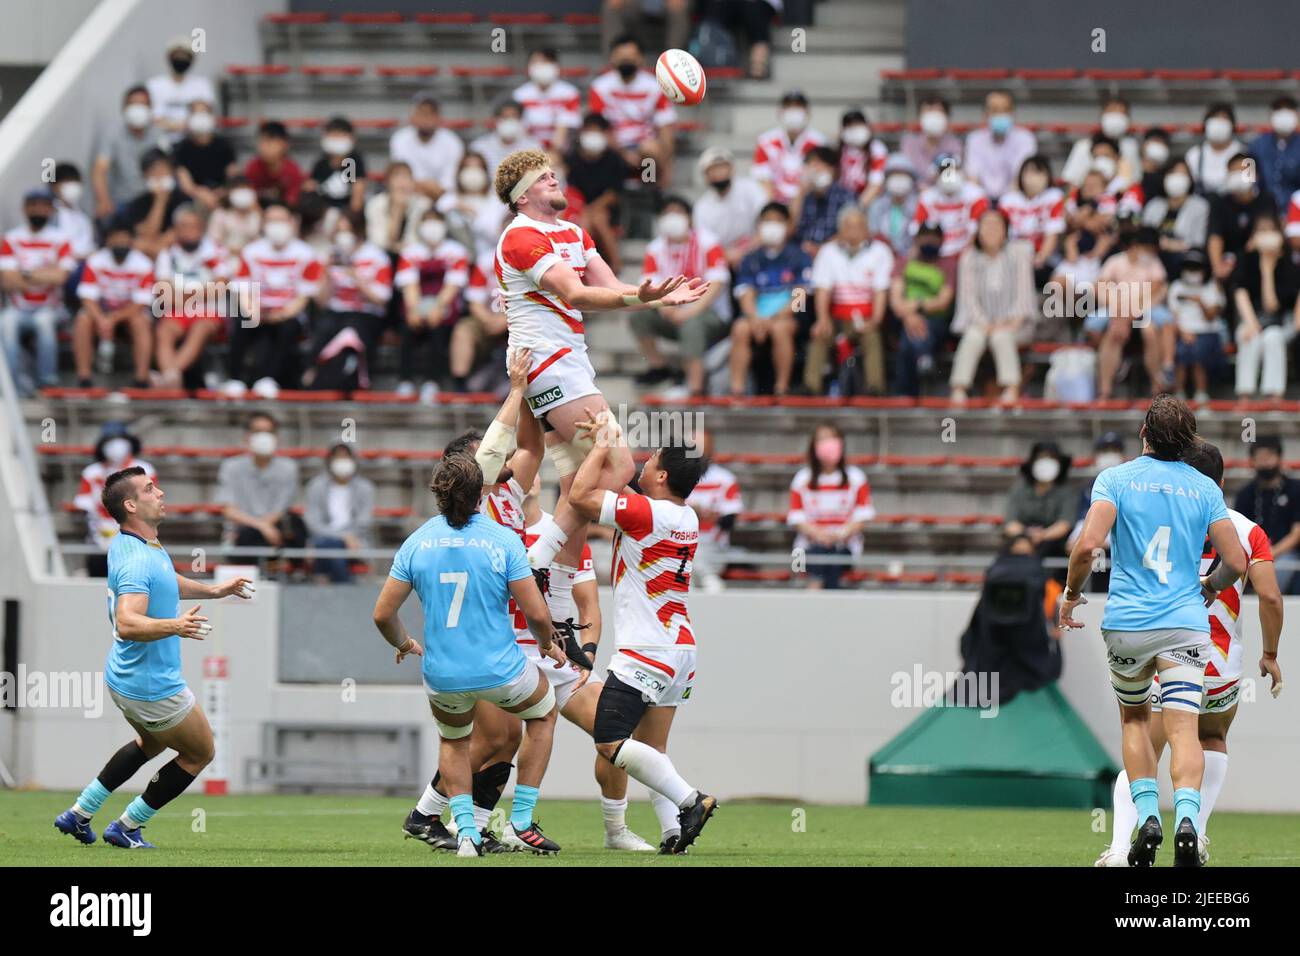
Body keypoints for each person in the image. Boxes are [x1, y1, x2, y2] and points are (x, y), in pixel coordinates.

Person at [490, 148, 707, 617]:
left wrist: (658, 300)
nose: (555, 179)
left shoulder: (573, 231)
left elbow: (611, 283)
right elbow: (578, 293)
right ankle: (532, 562)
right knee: (619, 464)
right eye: (543, 178)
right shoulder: (519, 238)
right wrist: (641, 301)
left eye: (553, 173)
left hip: (570, 363)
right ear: (522, 196)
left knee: (576, 491)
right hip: (547, 363)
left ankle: (561, 610)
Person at [1061, 394, 1248, 867]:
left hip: (1127, 624)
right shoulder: (1204, 488)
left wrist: (1070, 594)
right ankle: (1187, 819)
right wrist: (1210, 586)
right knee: (1185, 728)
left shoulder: (1115, 479)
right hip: (1185, 625)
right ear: (1188, 440)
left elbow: (1087, 547)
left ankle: (1148, 816)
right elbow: (1237, 561)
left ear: (1143, 433)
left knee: (1136, 720)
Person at [1098, 439, 1284, 867]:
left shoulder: (1159, 513)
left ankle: (1120, 849)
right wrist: (1271, 653)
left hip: (1165, 649)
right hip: (1219, 662)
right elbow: (1271, 598)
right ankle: (1195, 836)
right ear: (1220, 481)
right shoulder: (1246, 530)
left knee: (1144, 738)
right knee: (1211, 738)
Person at [374, 452, 564, 857]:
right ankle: (523, 818)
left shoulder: (417, 541)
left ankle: (465, 834)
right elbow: (535, 612)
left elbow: (382, 613)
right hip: (501, 671)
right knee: (544, 713)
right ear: (481, 495)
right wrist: (547, 644)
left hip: (442, 674)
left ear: (438, 495)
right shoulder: (501, 539)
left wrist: (404, 644)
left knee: (455, 741)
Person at [53, 466, 253, 849]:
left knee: (152, 743)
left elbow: (168, 581)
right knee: (200, 752)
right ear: (131, 504)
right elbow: (128, 622)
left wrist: (213, 591)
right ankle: (127, 825)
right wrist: (175, 626)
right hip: (152, 685)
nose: (160, 492)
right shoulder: (138, 559)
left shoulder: (136, 545)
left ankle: (79, 813)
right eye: (149, 489)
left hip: (123, 677)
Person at [566, 409, 718, 854]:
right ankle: (675, 834)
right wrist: (609, 437)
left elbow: (579, 497)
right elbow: (625, 483)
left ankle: (692, 800)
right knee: (654, 749)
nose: (645, 463)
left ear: (663, 474)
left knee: (611, 741)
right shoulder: (685, 517)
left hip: (644, 650)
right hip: (680, 649)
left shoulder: (646, 513)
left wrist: (599, 446)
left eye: (653, 460)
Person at [630, 196, 731, 395]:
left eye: (678, 212)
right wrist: (666, 307)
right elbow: (649, 286)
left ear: (689, 218)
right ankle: (659, 367)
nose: (672, 217)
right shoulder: (655, 248)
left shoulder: (708, 242)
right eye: (667, 213)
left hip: (708, 312)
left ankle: (695, 386)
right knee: (639, 316)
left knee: (692, 324)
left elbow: (717, 283)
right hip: (671, 309)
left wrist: (689, 312)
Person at [226, 204, 321, 396]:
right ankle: (235, 379)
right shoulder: (250, 252)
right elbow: (242, 289)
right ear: (263, 224)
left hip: (289, 313)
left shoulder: (307, 254)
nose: (277, 226)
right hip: (256, 310)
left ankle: (267, 378)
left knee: (286, 329)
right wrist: (254, 312)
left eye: (281, 220)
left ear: (292, 222)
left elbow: (304, 295)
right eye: (272, 221)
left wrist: (282, 314)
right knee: (241, 323)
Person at [948, 208, 1034, 406]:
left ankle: (1011, 388)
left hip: (1017, 323)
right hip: (979, 322)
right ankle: (959, 388)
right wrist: (984, 323)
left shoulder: (1019, 253)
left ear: (1006, 230)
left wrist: (1010, 322)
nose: (991, 230)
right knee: (973, 336)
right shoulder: (969, 257)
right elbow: (968, 298)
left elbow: (1024, 294)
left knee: (1001, 336)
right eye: (986, 225)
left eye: (997, 225)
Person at [805, 205, 893, 396]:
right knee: (820, 334)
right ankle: (811, 389)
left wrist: (875, 320)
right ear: (840, 229)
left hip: (866, 316)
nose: (853, 231)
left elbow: (880, 291)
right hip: (837, 317)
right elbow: (822, 289)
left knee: (871, 337)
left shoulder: (880, 251)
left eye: (858, 225)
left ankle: (875, 389)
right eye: (848, 226)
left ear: (867, 228)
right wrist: (822, 319)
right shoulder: (828, 252)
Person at [730, 201, 811, 396]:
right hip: (757, 316)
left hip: (790, 315)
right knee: (740, 328)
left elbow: (801, 296)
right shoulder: (751, 258)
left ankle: (781, 388)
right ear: (758, 226)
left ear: (789, 226)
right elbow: (745, 293)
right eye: (767, 221)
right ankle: (737, 390)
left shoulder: (800, 256)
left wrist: (775, 318)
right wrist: (754, 318)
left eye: (778, 221)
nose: (772, 225)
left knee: (780, 330)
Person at [1, 190, 74, 396]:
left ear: (51, 210)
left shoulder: (61, 238)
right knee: (6, 323)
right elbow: (7, 281)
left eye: (43, 206)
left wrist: (24, 274)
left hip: (52, 308)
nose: (38, 210)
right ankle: (12, 388)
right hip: (18, 308)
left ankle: (47, 383)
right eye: (33, 205)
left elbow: (60, 277)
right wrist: (44, 273)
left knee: (44, 321)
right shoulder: (12, 238)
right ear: (24, 209)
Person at [309, 210, 392, 390]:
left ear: (359, 231)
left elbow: (382, 300)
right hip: (336, 311)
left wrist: (357, 278)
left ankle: (354, 378)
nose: (343, 237)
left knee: (352, 328)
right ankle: (316, 376)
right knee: (325, 326)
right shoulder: (330, 257)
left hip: (366, 313)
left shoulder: (377, 257)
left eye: (347, 231)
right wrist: (326, 273)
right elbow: (320, 301)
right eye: (339, 232)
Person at [394, 208, 470, 400]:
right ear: (420, 226)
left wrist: (437, 309)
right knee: (407, 328)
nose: (432, 227)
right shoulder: (410, 252)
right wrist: (414, 310)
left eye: (436, 221)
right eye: (427, 221)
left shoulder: (457, 251)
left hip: (445, 307)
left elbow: (453, 285)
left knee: (438, 330)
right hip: (418, 305)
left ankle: (433, 382)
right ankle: (405, 381)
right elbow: (409, 284)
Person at [787, 421, 874, 589]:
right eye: (822, 439)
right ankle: (819, 596)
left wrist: (839, 535)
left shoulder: (856, 477)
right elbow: (798, 519)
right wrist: (820, 535)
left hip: (844, 546)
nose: (828, 444)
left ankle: (817, 595)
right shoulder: (802, 479)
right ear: (813, 446)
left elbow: (862, 517)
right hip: (808, 548)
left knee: (833, 560)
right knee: (819, 555)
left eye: (832, 438)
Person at [154, 204, 231, 388]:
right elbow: (164, 293)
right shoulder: (167, 254)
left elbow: (220, 287)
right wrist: (200, 293)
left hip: (209, 312)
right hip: (178, 312)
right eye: (185, 226)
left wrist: (183, 296)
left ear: (202, 228)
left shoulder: (216, 251)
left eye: (194, 226)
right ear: (177, 230)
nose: (190, 231)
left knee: (200, 329)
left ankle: (167, 378)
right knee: (164, 331)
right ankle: (172, 380)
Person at [72, 219, 155, 389]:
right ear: (108, 241)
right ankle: (84, 377)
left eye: (124, 240)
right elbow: (87, 297)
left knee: (141, 322)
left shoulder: (144, 264)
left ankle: (141, 379)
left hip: (129, 314)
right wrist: (102, 319)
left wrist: (113, 319)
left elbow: (141, 303)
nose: (120, 244)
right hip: (101, 313)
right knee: (83, 320)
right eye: (116, 239)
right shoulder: (95, 261)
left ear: (132, 241)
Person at [589, 35, 677, 187]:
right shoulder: (600, 87)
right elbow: (599, 127)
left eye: (630, 57)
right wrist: (623, 154)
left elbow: (666, 128)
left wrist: (667, 165)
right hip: (613, 147)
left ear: (641, 59)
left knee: (650, 150)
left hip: (645, 150)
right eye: (621, 57)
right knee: (593, 143)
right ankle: (608, 196)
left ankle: (652, 191)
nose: (626, 61)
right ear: (612, 58)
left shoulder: (656, 86)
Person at [215, 412, 306, 558]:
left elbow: (280, 509)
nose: (264, 437)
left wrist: (265, 527)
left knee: (297, 526)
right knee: (249, 536)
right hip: (242, 532)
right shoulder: (231, 467)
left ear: (276, 437)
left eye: (268, 432)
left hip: (275, 531)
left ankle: (294, 574)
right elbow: (229, 511)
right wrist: (261, 526)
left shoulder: (288, 468)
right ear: (247, 436)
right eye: (257, 432)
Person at [1095, 226, 1169, 399]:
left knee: (1150, 331)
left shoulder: (1152, 263)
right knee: (1112, 333)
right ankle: (1105, 389)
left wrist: (1131, 312)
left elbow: (1157, 289)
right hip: (1118, 313)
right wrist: (1119, 310)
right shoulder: (1114, 262)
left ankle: (1156, 387)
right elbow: (1101, 287)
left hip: (1144, 312)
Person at [73, 423, 156, 577]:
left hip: (135, 541)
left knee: (133, 584)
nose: (116, 446)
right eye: (110, 441)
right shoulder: (91, 472)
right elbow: (84, 507)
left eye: (120, 440)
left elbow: (150, 505)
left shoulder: (145, 470)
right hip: (99, 540)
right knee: (99, 584)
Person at [1233, 211, 1299, 399]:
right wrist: (1252, 323)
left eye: (1271, 231)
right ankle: (1244, 395)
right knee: (1249, 338)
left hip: (1280, 323)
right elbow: (1240, 293)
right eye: (1261, 231)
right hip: (1250, 320)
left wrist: (1267, 269)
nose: (1267, 236)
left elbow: (1272, 307)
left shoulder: (1290, 267)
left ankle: (1274, 394)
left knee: (1272, 338)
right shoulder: (1245, 260)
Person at [890, 222, 953, 397]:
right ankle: (924, 359)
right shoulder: (904, 263)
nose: (929, 241)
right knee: (909, 334)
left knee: (909, 340)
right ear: (917, 239)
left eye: (934, 238)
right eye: (925, 237)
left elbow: (943, 301)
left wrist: (916, 306)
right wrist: (909, 315)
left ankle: (904, 394)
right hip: (904, 318)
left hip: (936, 320)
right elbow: (896, 300)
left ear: (941, 241)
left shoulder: (948, 264)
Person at [1234, 436, 1300, 595]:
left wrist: (1270, 554)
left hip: (1285, 554)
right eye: (1260, 458)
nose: (1265, 463)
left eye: (1268, 457)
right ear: (1252, 461)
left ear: (1279, 458)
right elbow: (1238, 532)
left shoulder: (1295, 489)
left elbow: (1296, 532)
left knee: (1282, 568)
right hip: (1253, 555)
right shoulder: (1245, 494)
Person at [564, 114, 631, 271]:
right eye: (589, 130)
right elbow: (571, 191)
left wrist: (591, 209)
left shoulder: (614, 160)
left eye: (597, 131)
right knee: (588, 220)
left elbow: (614, 193)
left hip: (607, 209)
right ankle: (589, 265)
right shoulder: (573, 159)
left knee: (598, 218)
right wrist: (584, 210)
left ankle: (608, 264)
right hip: (578, 207)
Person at [303, 444, 374, 584]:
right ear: (330, 461)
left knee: (327, 547)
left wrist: (349, 537)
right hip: (323, 539)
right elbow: (313, 522)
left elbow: (364, 521)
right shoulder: (316, 486)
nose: (342, 462)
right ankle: (344, 589)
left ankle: (323, 584)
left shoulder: (365, 488)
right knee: (332, 547)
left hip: (355, 542)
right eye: (338, 458)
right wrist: (343, 537)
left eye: (346, 457)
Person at [92, 86, 164, 222]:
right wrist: (104, 201)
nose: (138, 109)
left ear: (151, 108)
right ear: (124, 108)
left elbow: (165, 169)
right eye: (133, 104)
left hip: (151, 200)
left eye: (143, 104)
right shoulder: (112, 132)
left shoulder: (158, 133)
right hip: (121, 202)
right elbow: (99, 170)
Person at [692, 147, 767, 271]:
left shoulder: (751, 189)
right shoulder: (702, 207)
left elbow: (767, 220)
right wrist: (726, 256)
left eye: (723, 167)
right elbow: (705, 243)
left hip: (757, 250)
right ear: (705, 175)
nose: (720, 172)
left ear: (732, 169)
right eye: (714, 169)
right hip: (723, 260)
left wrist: (744, 251)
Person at [686, 429, 743, 592]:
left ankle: (706, 580)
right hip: (679, 543)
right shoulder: (673, 479)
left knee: (694, 556)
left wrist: (709, 516)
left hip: (713, 545)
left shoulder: (725, 479)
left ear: (711, 449)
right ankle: (707, 581)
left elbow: (729, 521)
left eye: (701, 446)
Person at [1208, 153, 1276, 288]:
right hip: (1228, 259)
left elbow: (1267, 231)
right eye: (1234, 172)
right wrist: (1218, 267)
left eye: (1244, 170)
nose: (1239, 175)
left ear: (1255, 175)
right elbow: (1215, 236)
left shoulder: (1266, 200)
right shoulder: (1220, 203)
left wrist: (1239, 259)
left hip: (1256, 257)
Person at [998, 154, 1066, 284]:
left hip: (1045, 261)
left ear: (1048, 176)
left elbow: (1052, 235)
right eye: (1029, 172)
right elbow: (1001, 234)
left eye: (1038, 172)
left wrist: (1039, 259)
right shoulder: (1008, 200)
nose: (1033, 178)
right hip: (1013, 258)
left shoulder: (1054, 197)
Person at [1003, 441, 1075, 562]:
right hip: (1023, 538)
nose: (1046, 462)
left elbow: (1064, 524)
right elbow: (1010, 524)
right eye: (1041, 457)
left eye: (1051, 457)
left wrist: (1043, 535)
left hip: (1053, 542)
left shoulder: (1065, 492)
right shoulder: (1019, 490)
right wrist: (1026, 535)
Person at [1167, 249, 1224, 403]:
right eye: (1189, 267)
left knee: (1198, 350)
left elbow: (1212, 316)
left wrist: (1199, 301)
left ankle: (1201, 394)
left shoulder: (1212, 287)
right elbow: (1173, 316)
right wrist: (1183, 332)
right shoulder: (1176, 287)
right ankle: (1178, 394)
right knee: (1181, 351)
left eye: (1196, 267)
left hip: (1208, 333)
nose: (1192, 271)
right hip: (1182, 332)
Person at [963, 90, 1037, 202]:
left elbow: (1021, 178)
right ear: (985, 115)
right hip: (982, 200)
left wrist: (1004, 205)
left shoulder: (1026, 138)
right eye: (995, 110)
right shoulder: (974, 139)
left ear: (1013, 113)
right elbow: (973, 178)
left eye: (1005, 110)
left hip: (1014, 199)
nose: (1000, 115)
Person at [752, 90, 826, 204]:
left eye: (798, 107)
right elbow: (763, 180)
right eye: (789, 107)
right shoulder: (766, 141)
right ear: (780, 112)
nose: (793, 112)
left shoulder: (819, 143)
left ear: (808, 113)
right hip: (775, 205)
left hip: (809, 204)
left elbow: (822, 180)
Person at [1142, 158, 1210, 276]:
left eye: (1182, 174)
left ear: (1190, 179)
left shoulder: (1200, 206)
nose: (1177, 178)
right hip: (1152, 256)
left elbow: (1199, 241)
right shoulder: (1154, 205)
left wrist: (1170, 245)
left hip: (1183, 257)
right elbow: (1144, 234)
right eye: (1173, 173)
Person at [119, 150, 188, 258]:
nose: (159, 175)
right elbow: (147, 235)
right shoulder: (137, 204)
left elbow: (184, 232)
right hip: (150, 259)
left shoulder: (184, 200)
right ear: (145, 177)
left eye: (163, 169)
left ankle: (176, 275)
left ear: (172, 171)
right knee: (139, 246)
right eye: (153, 171)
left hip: (179, 261)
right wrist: (160, 201)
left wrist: (160, 247)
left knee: (177, 258)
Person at [1061, 97, 1140, 189]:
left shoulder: (1131, 146)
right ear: (1102, 115)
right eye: (1111, 111)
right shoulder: (1083, 146)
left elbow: (1135, 180)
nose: (1116, 117)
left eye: (1121, 113)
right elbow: (1071, 181)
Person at [146, 36, 216, 139]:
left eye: (185, 56)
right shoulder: (154, 85)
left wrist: (171, 125)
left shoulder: (202, 85)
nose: (181, 59)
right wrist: (186, 125)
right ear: (168, 57)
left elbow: (204, 117)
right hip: (159, 140)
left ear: (192, 59)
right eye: (177, 55)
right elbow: (153, 118)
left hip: (192, 142)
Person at [513, 48, 582, 152]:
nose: (541, 66)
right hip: (529, 151)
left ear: (556, 66)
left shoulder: (569, 93)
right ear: (529, 67)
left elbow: (565, 128)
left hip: (561, 152)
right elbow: (521, 129)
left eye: (545, 62)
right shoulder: (520, 95)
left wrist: (553, 153)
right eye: (536, 62)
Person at [172, 101, 237, 210]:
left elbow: (233, 176)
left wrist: (222, 191)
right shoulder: (181, 148)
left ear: (212, 117)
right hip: (194, 198)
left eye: (204, 113)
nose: (200, 117)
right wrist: (202, 193)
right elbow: (186, 185)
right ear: (189, 118)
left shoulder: (224, 145)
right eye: (196, 113)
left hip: (222, 194)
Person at [793, 146, 856, 256]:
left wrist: (822, 249)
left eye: (819, 164)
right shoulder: (803, 195)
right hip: (802, 252)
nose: (815, 170)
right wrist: (800, 193)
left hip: (835, 253)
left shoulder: (846, 196)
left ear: (832, 169)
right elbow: (791, 227)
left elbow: (850, 230)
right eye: (810, 165)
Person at [1248, 96, 1300, 213]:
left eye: (1289, 110)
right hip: (1263, 208)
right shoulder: (1257, 144)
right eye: (1279, 110)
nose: (1284, 116)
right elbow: (1248, 174)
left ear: (1296, 116)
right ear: (1271, 116)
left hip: (1295, 208)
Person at [306, 116, 366, 214]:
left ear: (351, 138)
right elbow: (310, 188)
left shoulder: (354, 162)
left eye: (340, 135)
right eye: (333, 135)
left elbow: (357, 200)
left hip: (347, 214)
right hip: (322, 212)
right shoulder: (321, 163)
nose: (336, 139)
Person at [900, 95, 962, 189]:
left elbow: (950, 177)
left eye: (938, 112)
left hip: (943, 195)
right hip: (914, 195)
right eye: (928, 111)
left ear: (946, 117)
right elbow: (906, 174)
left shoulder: (955, 145)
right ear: (920, 117)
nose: (933, 116)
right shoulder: (909, 143)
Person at [472, 101, 542, 181]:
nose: (509, 121)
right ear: (495, 120)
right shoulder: (479, 147)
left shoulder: (533, 147)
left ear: (521, 120)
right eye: (505, 117)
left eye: (514, 117)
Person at [1186, 103, 1245, 197]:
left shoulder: (1245, 153)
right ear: (1206, 124)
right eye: (1215, 119)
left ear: (1232, 125)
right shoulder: (1193, 154)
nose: (1219, 123)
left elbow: (1251, 186)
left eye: (1224, 119)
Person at [868, 153, 919, 257]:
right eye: (894, 174)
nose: (899, 179)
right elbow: (873, 235)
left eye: (903, 174)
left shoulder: (919, 205)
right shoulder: (876, 206)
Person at [244, 121, 304, 208]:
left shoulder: (292, 171)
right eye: (262, 142)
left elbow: (292, 203)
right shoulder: (253, 168)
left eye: (270, 143)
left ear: (284, 145)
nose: (265, 148)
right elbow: (249, 200)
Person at [836, 109, 887, 204]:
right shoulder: (840, 151)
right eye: (850, 126)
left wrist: (857, 208)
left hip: (870, 203)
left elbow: (876, 185)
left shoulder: (876, 149)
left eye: (857, 125)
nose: (854, 130)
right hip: (843, 202)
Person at [206, 175, 262, 258]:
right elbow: (213, 242)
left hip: (251, 258)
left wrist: (259, 212)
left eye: (246, 189)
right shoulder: (220, 214)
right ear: (229, 192)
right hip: (225, 258)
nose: (243, 193)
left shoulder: (256, 215)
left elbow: (261, 242)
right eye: (239, 189)